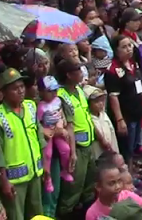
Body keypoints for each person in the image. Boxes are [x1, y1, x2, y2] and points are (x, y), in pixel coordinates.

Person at [0, 68, 45, 220]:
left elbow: (39, 138)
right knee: (16, 216)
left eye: (21, 87)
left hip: (35, 173)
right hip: (14, 179)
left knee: (37, 214)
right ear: (4, 92)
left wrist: (46, 165)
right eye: (15, 88)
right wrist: (4, 181)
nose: (20, 91)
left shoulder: (31, 106)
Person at [55, 59, 98, 217]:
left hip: (88, 144)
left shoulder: (79, 90)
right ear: (68, 75)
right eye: (78, 71)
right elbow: (69, 126)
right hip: (76, 148)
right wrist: (72, 152)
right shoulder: (62, 96)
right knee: (73, 187)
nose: (82, 73)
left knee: (89, 185)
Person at [104, 34, 142, 164]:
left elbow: (138, 83)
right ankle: (128, 172)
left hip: (137, 110)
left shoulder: (132, 63)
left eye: (130, 45)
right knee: (126, 147)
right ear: (116, 50)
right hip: (126, 115)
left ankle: (132, 167)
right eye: (124, 47)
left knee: (133, 145)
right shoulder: (112, 70)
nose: (129, 49)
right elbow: (113, 97)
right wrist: (120, 120)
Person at [36, 76, 73, 193]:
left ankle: (65, 170)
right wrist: (45, 130)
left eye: (55, 90)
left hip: (59, 127)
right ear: (42, 92)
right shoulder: (40, 106)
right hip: (48, 132)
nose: (54, 93)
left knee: (66, 149)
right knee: (47, 154)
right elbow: (37, 123)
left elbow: (60, 112)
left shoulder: (58, 101)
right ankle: (48, 178)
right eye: (50, 91)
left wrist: (62, 121)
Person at [87, 86, 117, 159]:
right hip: (98, 153)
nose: (101, 104)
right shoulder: (89, 118)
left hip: (111, 149)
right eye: (96, 102)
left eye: (102, 100)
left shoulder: (104, 115)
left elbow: (112, 134)